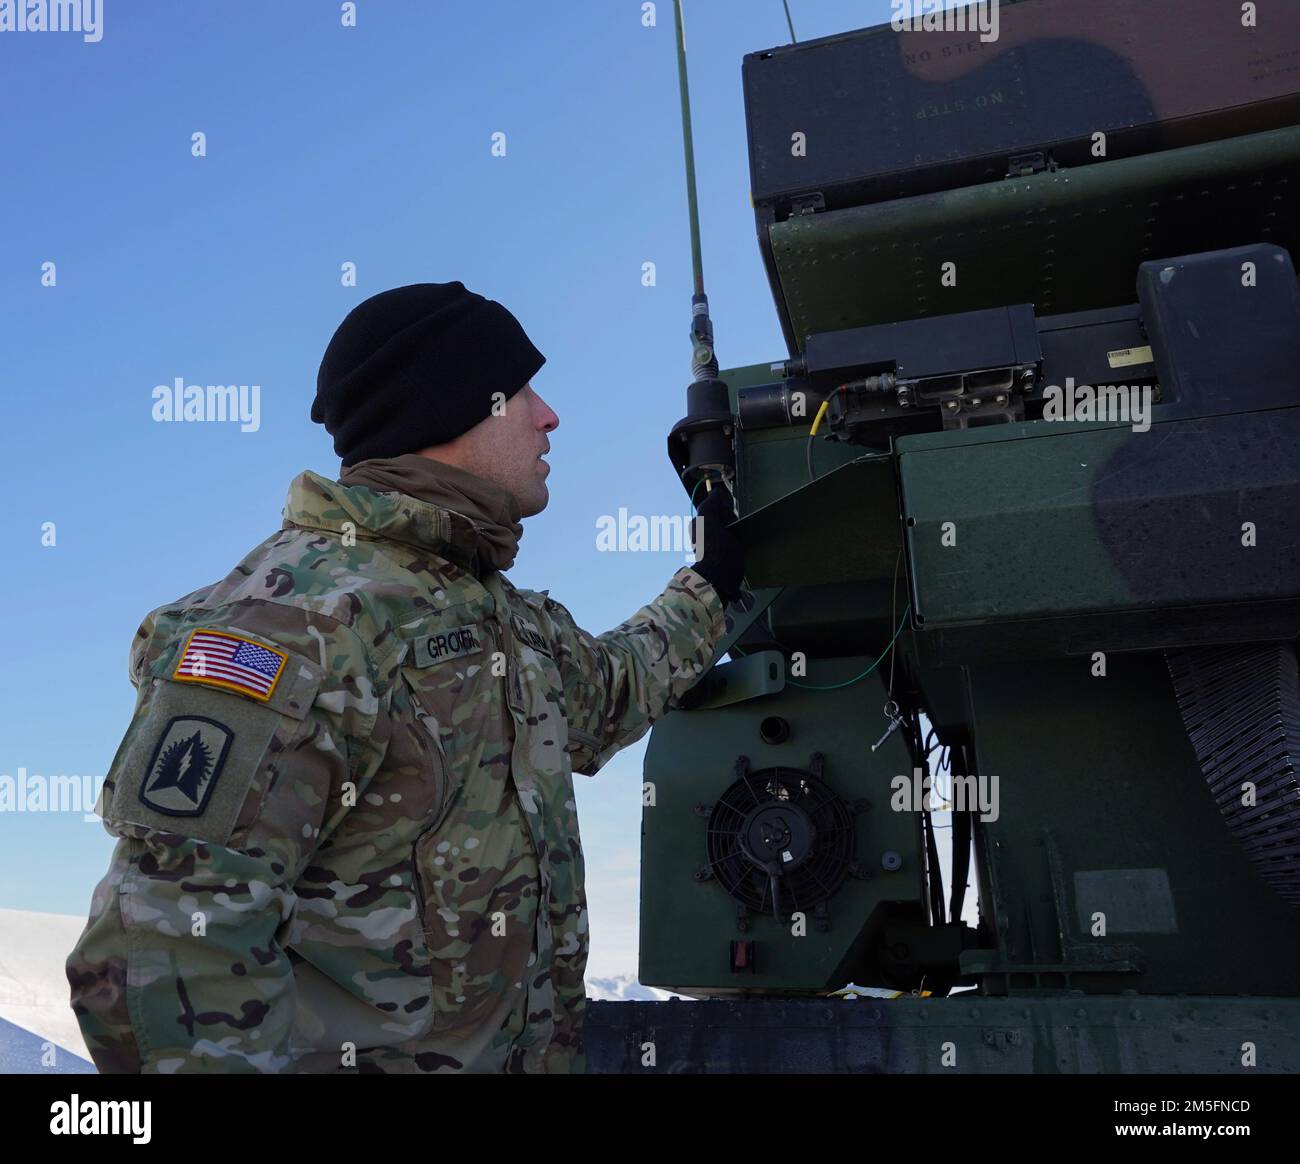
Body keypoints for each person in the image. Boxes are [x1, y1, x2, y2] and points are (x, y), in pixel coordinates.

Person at [64, 281, 744, 1073]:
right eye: (524, 390)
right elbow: (159, 948)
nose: (549, 415)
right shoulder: (295, 620)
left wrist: (711, 582)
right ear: (452, 406)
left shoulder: (503, 620)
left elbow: (611, 687)